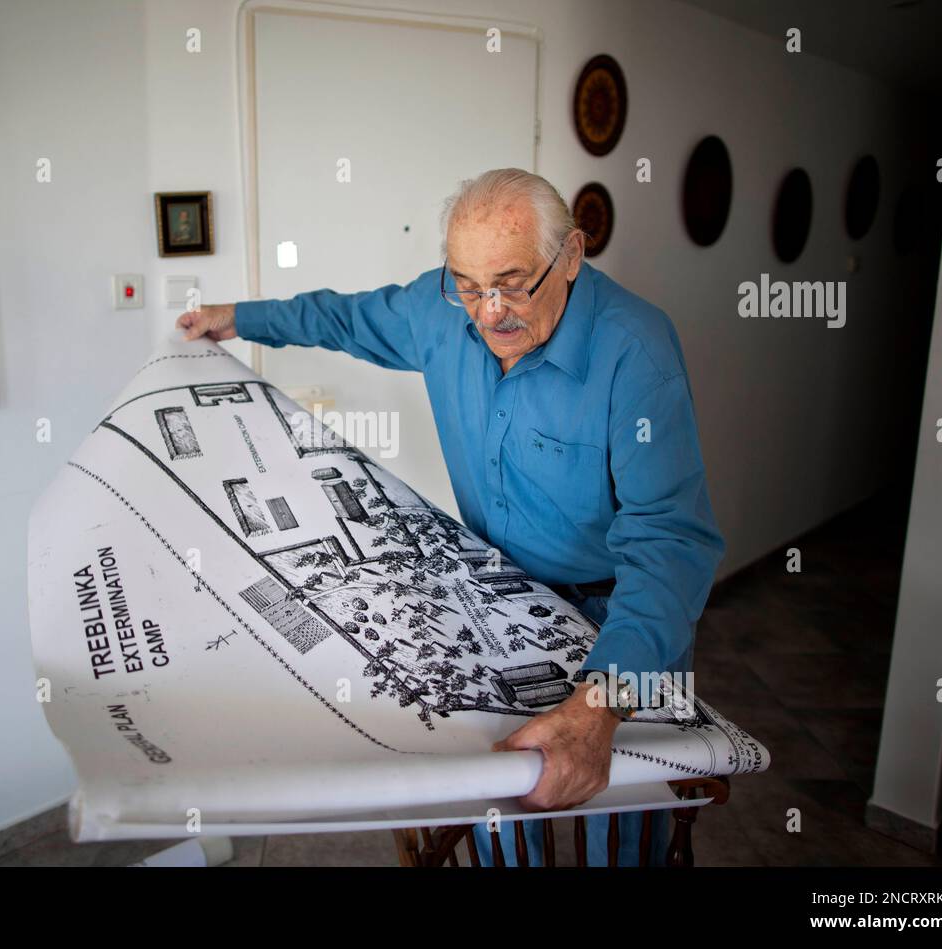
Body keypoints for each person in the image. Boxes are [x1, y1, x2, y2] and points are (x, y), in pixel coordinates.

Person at [176, 168, 725, 866]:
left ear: (574, 256)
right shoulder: (442, 311)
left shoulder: (637, 351)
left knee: (619, 824)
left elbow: (670, 542)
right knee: (502, 791)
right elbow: (342, 316)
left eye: (513, 281)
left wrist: (600, 704)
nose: (490, 311)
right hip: (503, 600)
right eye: (467, 284)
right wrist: (237, 318)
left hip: (624, 618)